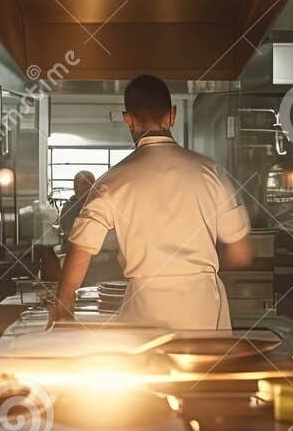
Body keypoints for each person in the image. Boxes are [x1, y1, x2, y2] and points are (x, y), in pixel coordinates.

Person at [55, 74, 254, 330]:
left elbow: (80, 249)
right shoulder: (210, 172)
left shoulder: (111, 182)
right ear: (172, 115)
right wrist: (198, 271)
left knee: (149, 369)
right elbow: (242, 254)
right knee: (206, 370)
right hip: (205, 312)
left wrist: (64, 303)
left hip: (145, 311)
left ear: (128, 120)